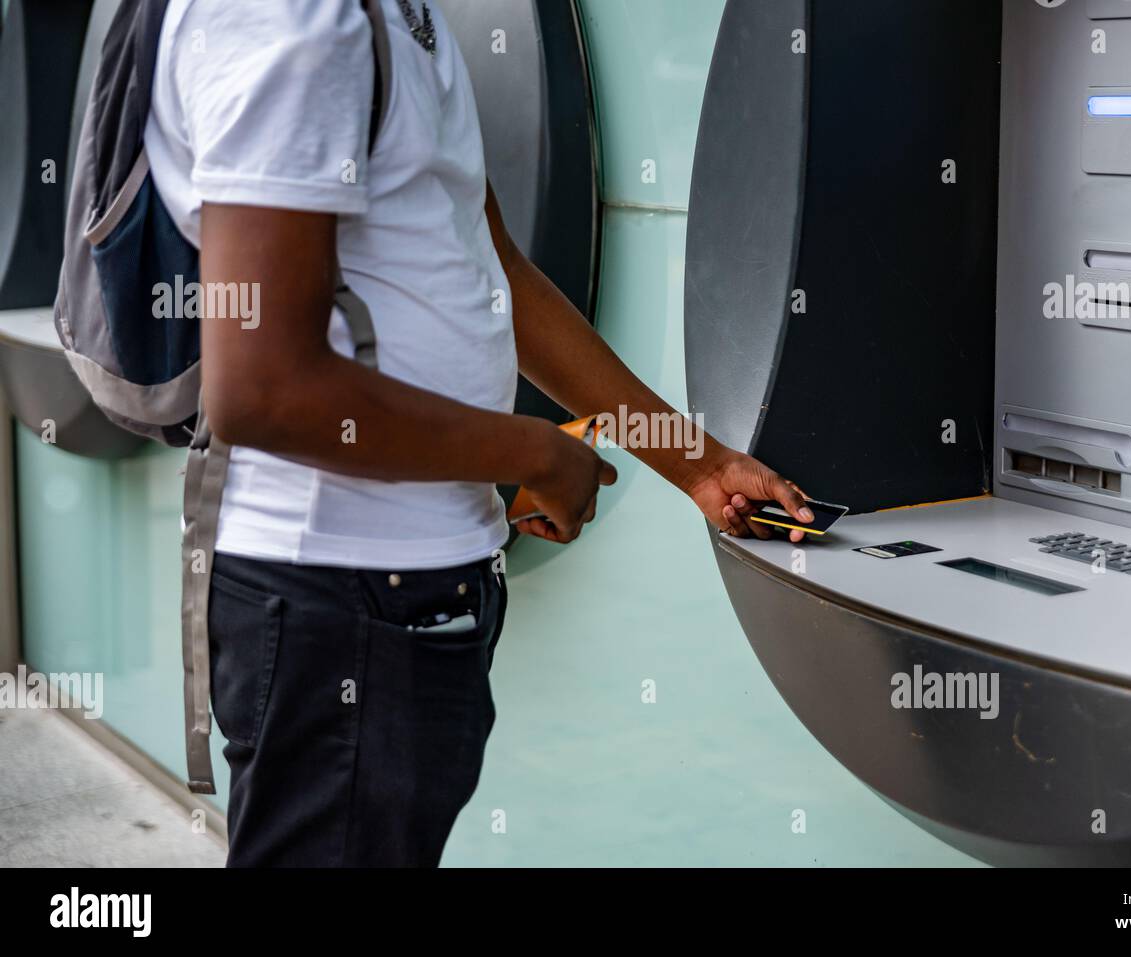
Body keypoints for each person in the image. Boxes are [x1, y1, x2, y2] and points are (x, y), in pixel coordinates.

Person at [146, 0, 812, 865]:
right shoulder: (288, 18)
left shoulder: (392, 16)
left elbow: (491, 264)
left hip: (405, 593)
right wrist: (532, 451)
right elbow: (267, 387)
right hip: (339, 596)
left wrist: (698, 464)